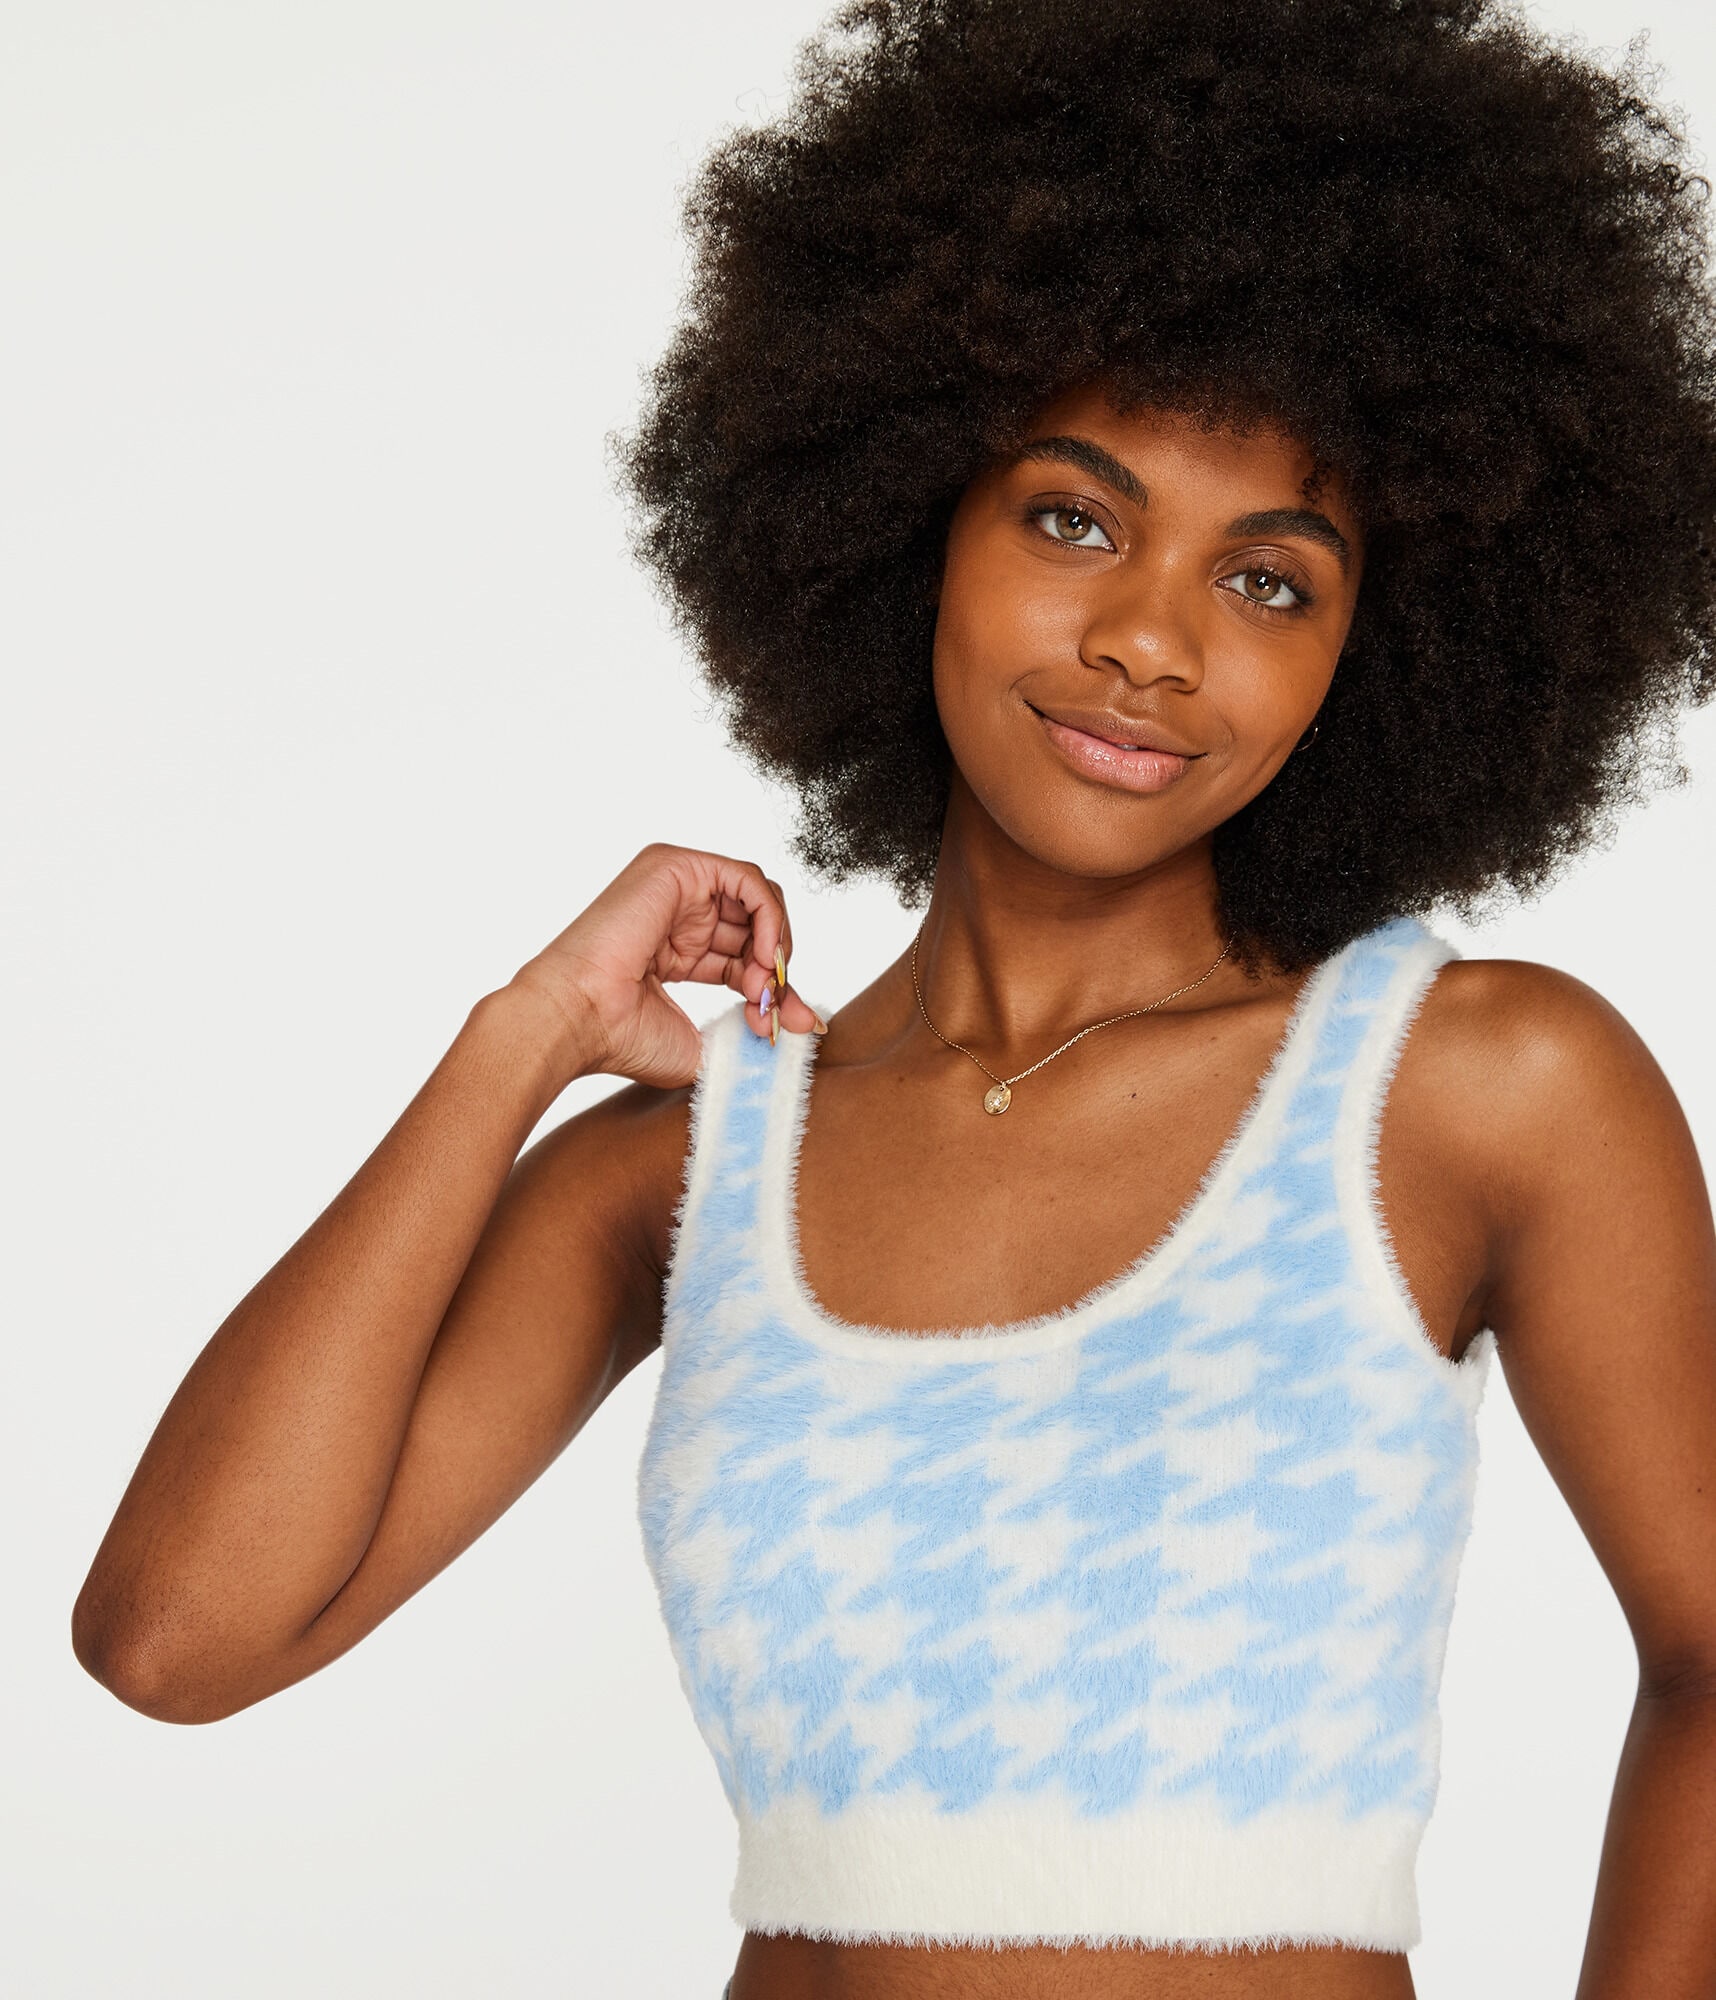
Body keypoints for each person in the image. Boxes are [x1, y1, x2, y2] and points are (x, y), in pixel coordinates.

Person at [72, 0, 1716, 1992]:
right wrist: (521, 1036)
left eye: (1269, 580)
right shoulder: (689, 1172)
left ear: (1383, 651)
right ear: (904, 510)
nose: (1149, 642)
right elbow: (178, 1637)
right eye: (1074, 517)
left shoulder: (1474, 1083)